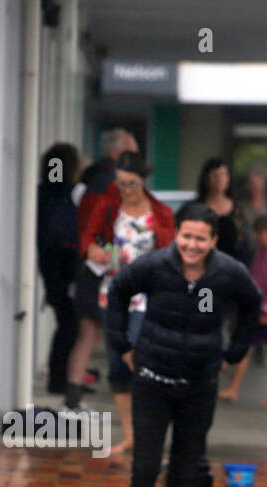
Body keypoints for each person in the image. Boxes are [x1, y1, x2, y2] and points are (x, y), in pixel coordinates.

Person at [105, 202, 262, 487]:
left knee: (186, 465)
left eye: (200, 239)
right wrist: (122, 344)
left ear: (214, 241)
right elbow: (118, 292)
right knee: (146, 465)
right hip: (152, 381)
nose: (192, 245)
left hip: (200, 384)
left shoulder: (228, 273)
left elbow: (253, 305)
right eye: (186, 236)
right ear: (176, 234)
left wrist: (234, 353)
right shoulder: (155, 266)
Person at [74, 151, 175, 451]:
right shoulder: (107, 206)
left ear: (143, 181)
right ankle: (132, 434)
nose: (125, 190)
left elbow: (171, 256)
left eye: (131, 184)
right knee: (118, 365)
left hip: (146, 296)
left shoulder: (161, 214)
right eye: (120, 183)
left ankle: (150, 430)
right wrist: (93, 251)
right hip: (112, 292)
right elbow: (87, 239)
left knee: (137, 356)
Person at [64, 128, 140, 410]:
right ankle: (129, 401)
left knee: (89, 333)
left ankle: (72, 399)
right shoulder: (112, 182)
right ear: (116, 153)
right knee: (118, 335)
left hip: (88, 267)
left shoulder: (89, 178)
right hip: (103, 269)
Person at [219, 215, 267, 406]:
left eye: (261, 232)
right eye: (256, 232)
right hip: (257, 310)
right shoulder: (262, 252)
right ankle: (233, 388)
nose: (257, 236)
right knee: (245, 348)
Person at [37, 142, 86, 395]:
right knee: (69, 324)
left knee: (66, 322)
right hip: (65, 263)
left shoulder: (43, 191)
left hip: (51, 262)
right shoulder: (68, 193)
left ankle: (63, 377)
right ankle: (60, 379)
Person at [186, 157, 250, 263]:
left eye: (223, 174)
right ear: (206, 178)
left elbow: (244, 244)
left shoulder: (238, 209)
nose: (219, 179)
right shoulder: (193, 208)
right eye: (215, 175)